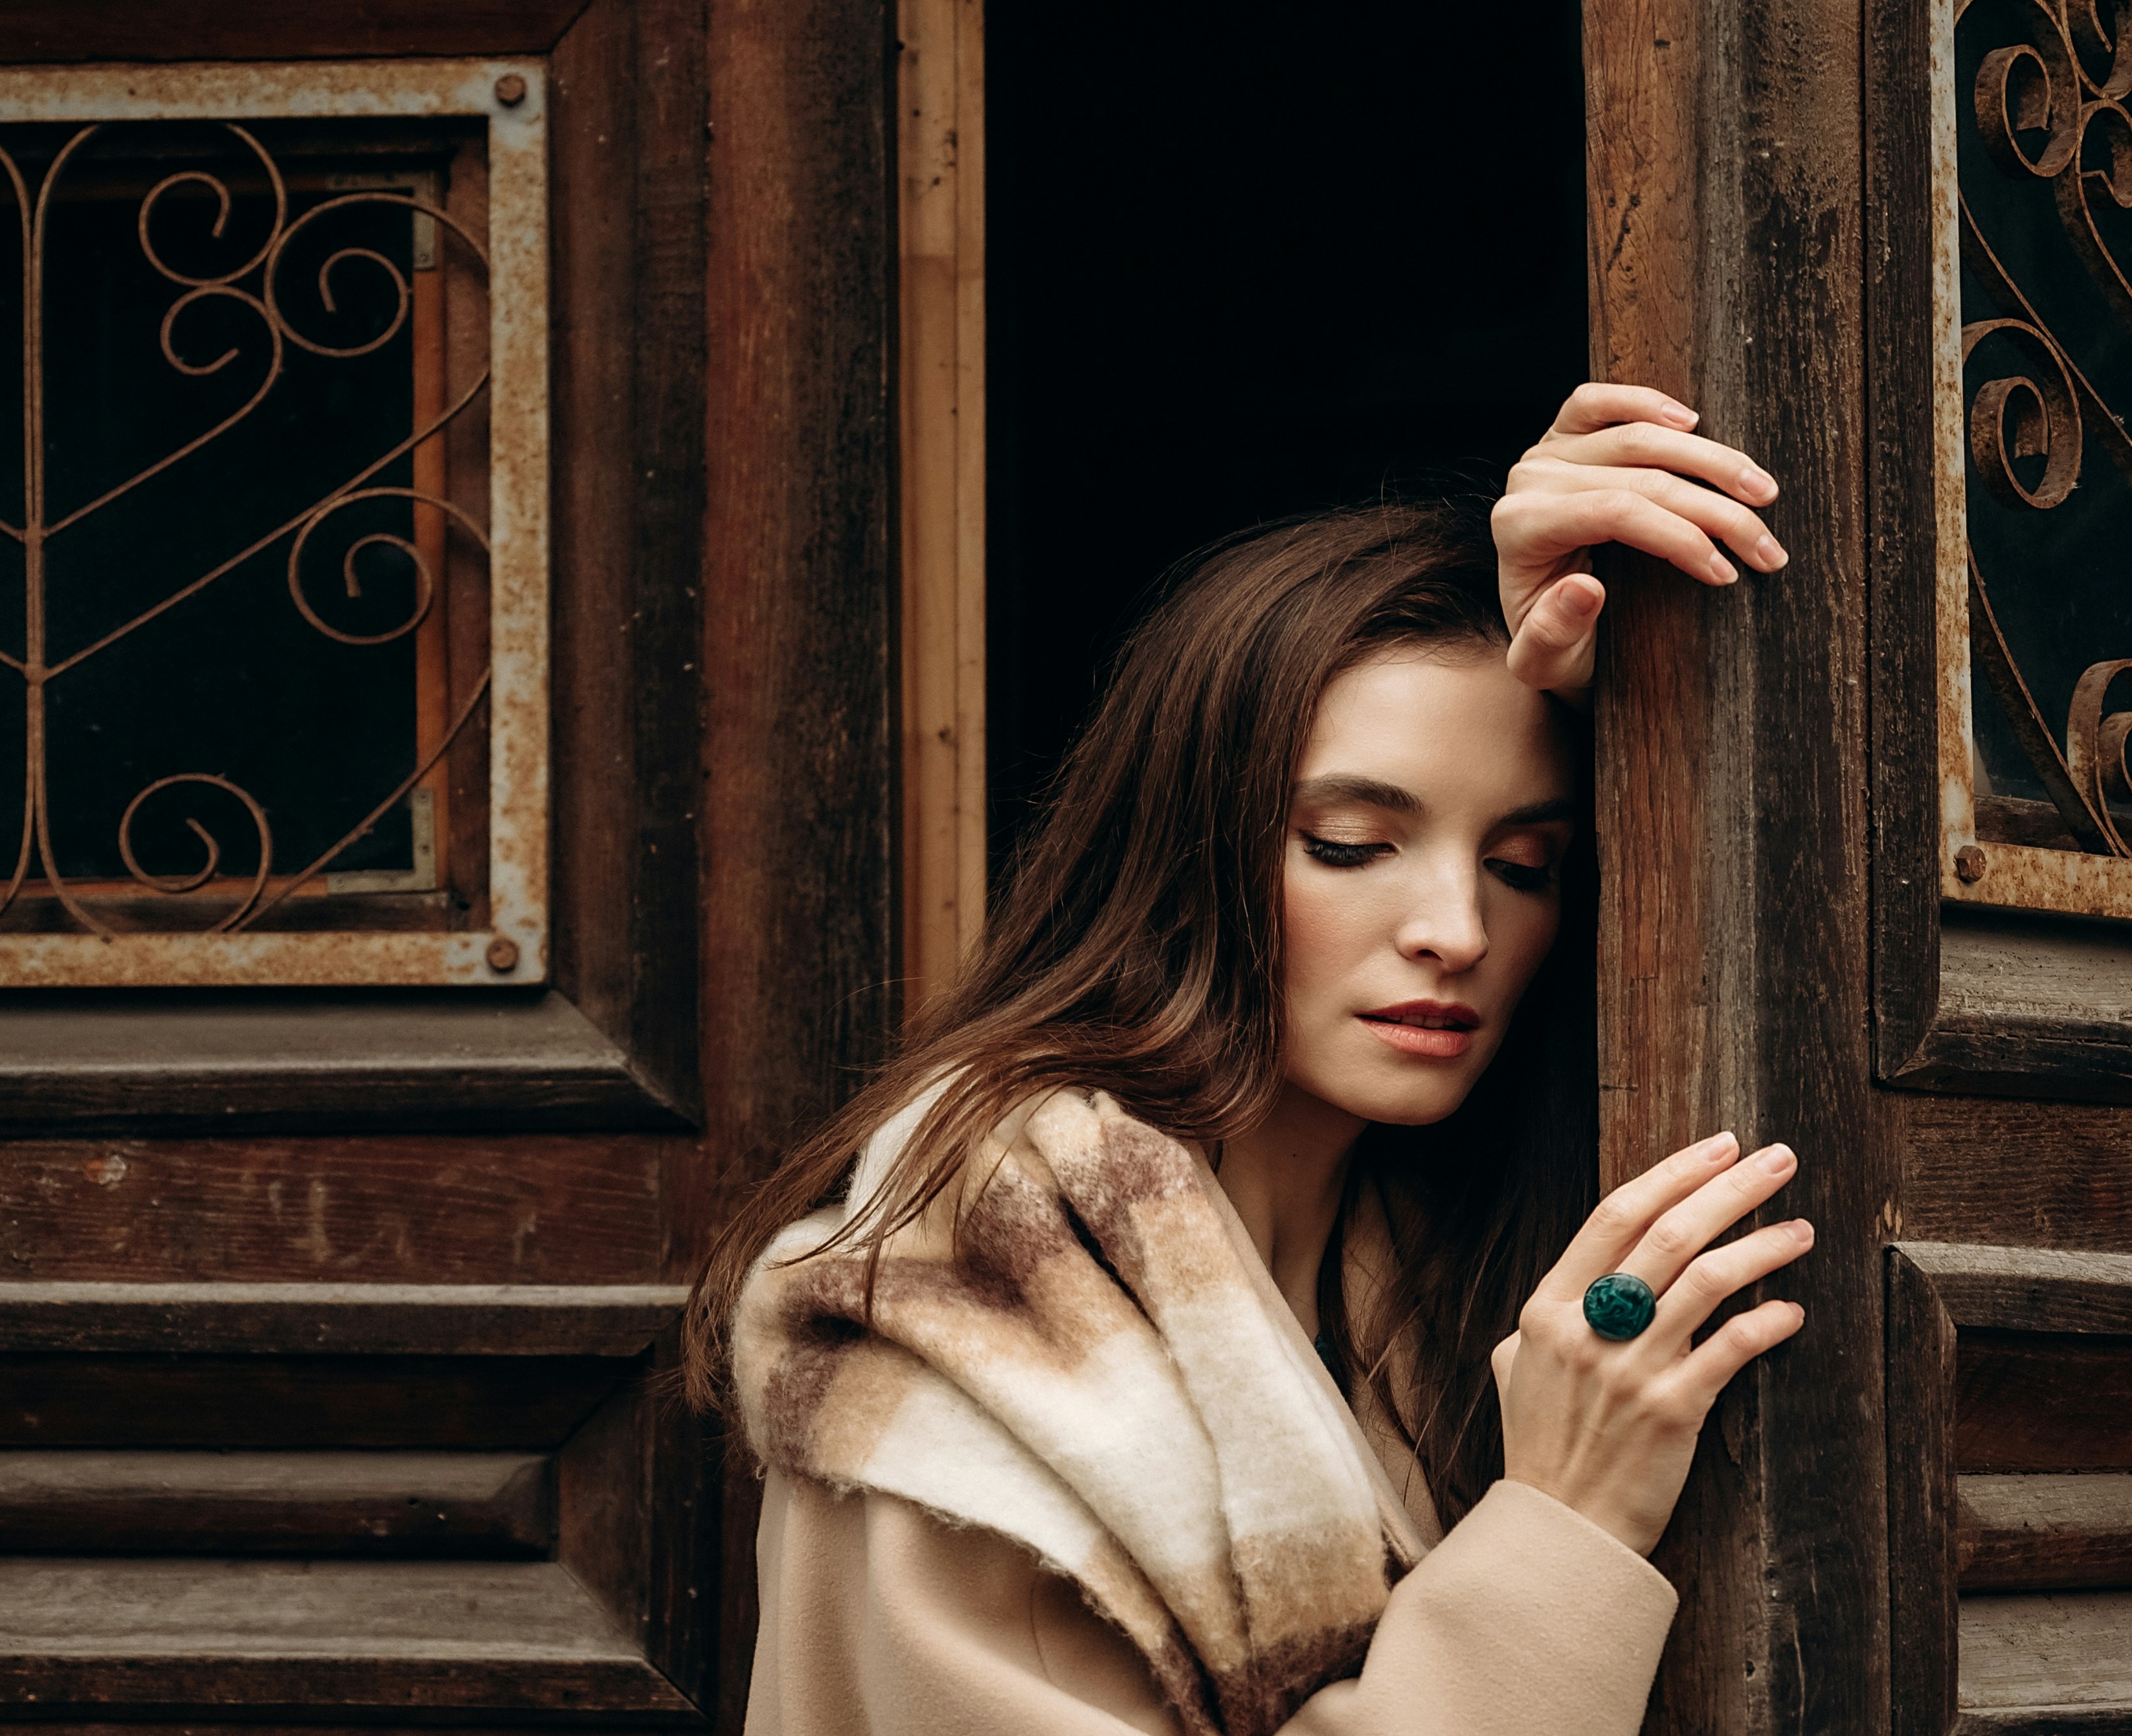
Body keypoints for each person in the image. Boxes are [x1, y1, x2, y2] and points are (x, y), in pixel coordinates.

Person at [684, 384, 1802, 1736]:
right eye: (1348, 842)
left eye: (1524, 865)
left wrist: (1663, 673)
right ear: (1186, 852)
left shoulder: (1449, 1273)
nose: (1458, 932)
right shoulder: (964, 1330)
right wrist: (1562, 1525)